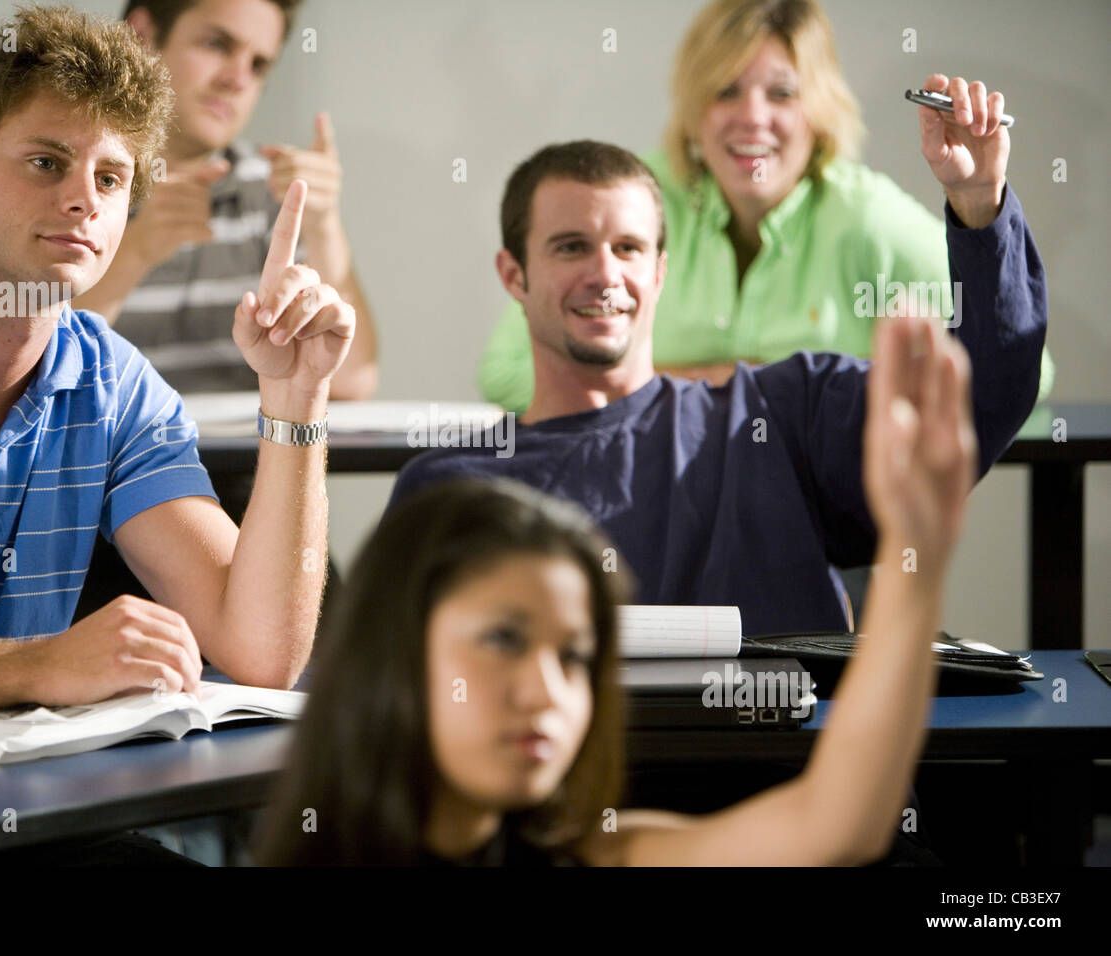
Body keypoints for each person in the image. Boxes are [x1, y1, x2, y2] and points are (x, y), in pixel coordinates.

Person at [255, 309, 977, 864]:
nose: (549, 693)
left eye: (573, 657)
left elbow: (837, 826)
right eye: (503, 638)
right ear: (401, 650)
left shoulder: (593, 852)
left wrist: (922, 551)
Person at [0, 6, 354, 737]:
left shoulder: (116, 384)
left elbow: (260, 655)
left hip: (25, 813)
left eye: (111, 178)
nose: (84, 201)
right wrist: (30, 667)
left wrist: (295, 400)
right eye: (46, 163)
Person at [385, 73, 1045, 638]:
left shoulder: (782, 417)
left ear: (661, 270)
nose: (605, 274)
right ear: (513, 275)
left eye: (628, 248)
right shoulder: (452, 488)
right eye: (569, 247)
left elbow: (974, 402)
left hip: (782, 782)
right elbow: (390, 709)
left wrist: (979, 203)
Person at [477, 0, 1054, 414]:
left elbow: (1019, 372)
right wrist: (740, 384)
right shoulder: (633, 201)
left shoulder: (866, 217)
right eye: (726, 90)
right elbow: (506, 372)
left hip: (816, 526)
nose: (753, 116)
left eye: (781, 93)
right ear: (694, 109)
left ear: (819, 109)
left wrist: (978, 199)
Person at [73, 0, 378, 400]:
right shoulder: (65, 179)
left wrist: (324, 226)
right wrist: (138, 248)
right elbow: (30, 369)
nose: (237, 80)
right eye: (217, 44)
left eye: (258, 65)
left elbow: (351, 382)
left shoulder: (271, 190)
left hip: (253, 460)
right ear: (140, 35)